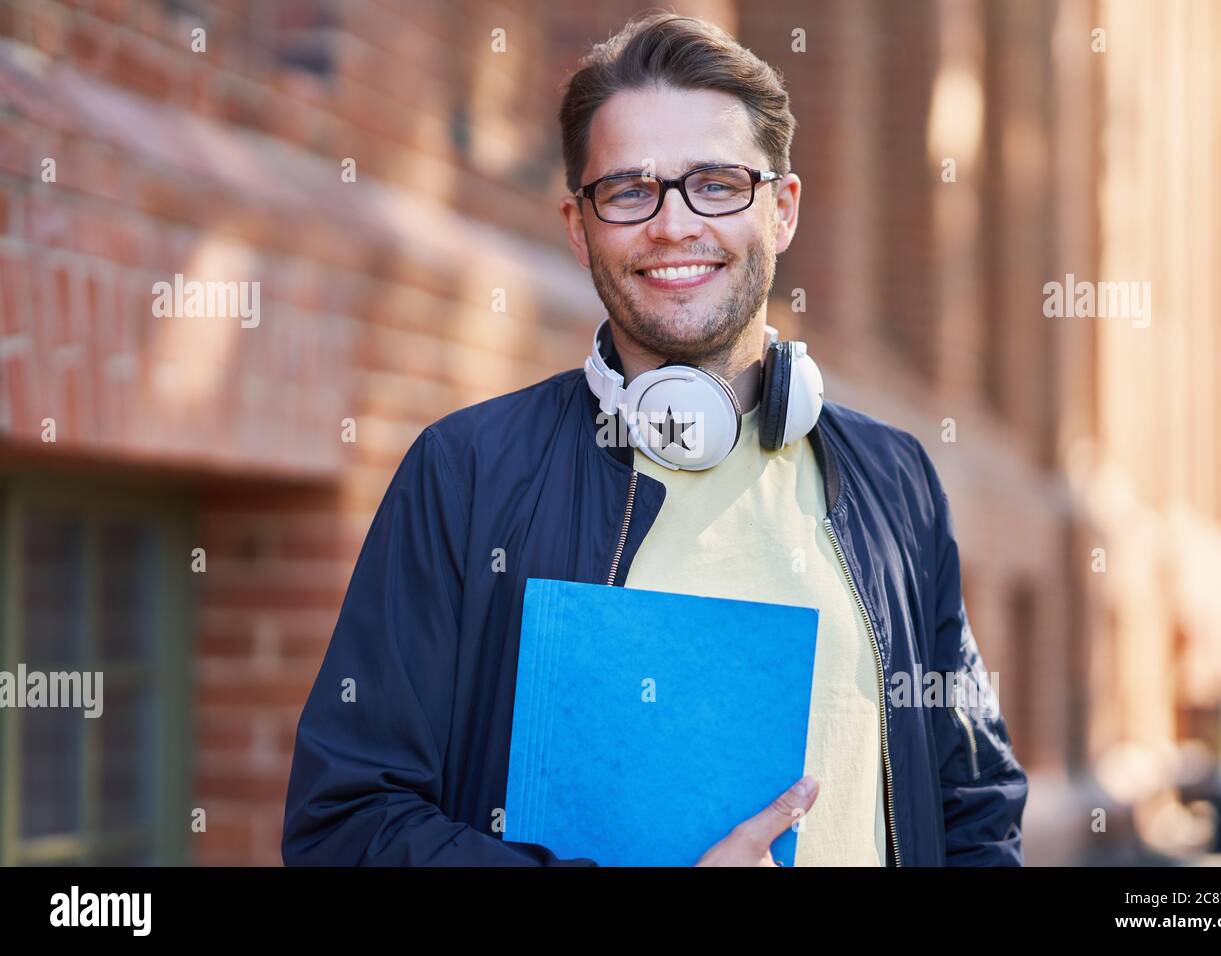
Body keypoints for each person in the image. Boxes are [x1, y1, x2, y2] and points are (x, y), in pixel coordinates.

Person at [282, 12, 1028, 867]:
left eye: (716, 183)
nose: (673, 226)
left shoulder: (896, 481)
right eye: (630, 191)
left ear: (782, 209)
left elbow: (975, 804)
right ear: (578, 225)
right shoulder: (465, 473)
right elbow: (343, 825)